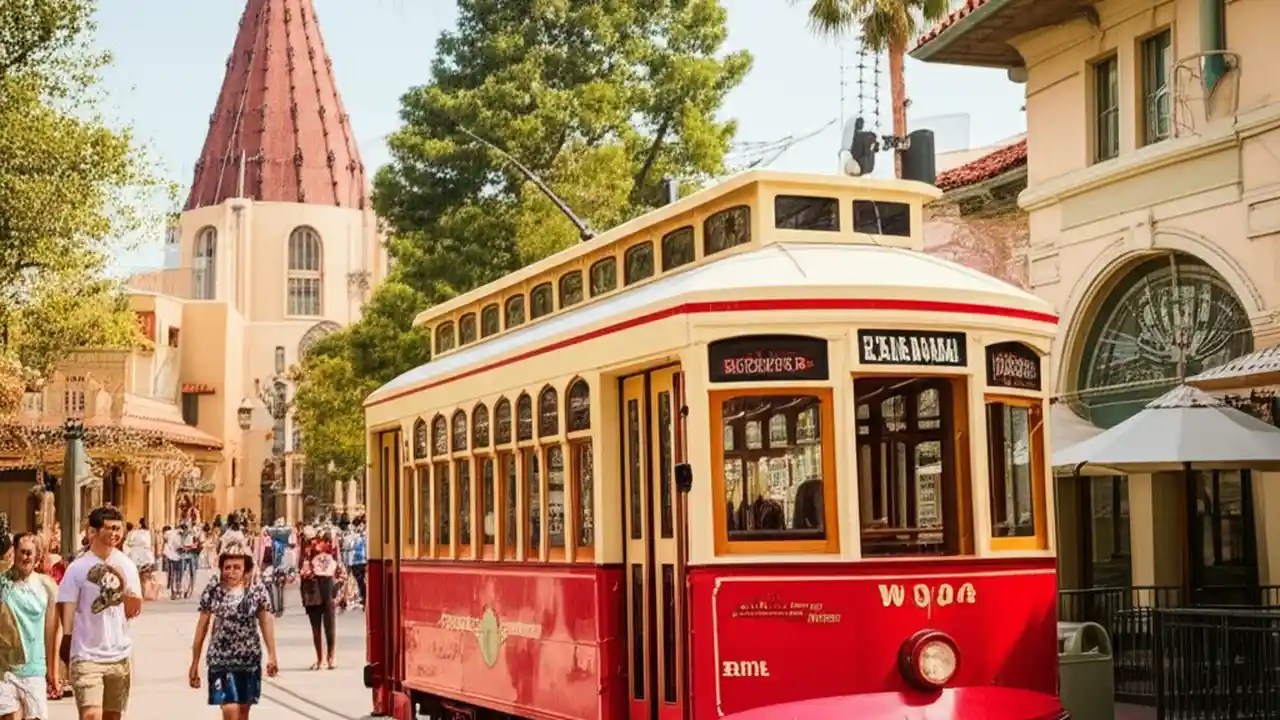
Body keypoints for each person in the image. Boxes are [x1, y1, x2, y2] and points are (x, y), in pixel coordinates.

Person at [56, 506, 142, 720]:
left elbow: (134, 610)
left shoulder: (127, 565)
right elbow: (65, 609)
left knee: (112, 716)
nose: (114, 534)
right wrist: (65, 649)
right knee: (91, 715)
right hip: (86, 655)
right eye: (109, 528)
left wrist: (122, 583)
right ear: (93, 531)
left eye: (118, 529)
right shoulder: (77, 568)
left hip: (118, 655)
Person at [188, 544, 278, 719]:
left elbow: (265, 621)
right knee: (230, 710)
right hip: (220, 659)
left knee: (243, 713)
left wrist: (272, 655)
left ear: (246, 569)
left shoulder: (256, 591)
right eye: (227, 567)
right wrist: (195, 662)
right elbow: (202, 626)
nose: (231, 572)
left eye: (237, 567)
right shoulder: (213, 591)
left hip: (248, 659)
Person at [0, 532, 58, 720]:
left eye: (29, 553)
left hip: (34, 669)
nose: (24, 557)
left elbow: (51, 630)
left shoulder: (46, 586)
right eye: (21, 552)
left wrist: (53, 669)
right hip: (5, 670)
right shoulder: (3, 583)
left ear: (37, 556)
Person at [298, 527, 343, 670]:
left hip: (321, 583)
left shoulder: (313, 545)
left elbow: (302, 566)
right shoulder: (311, 544)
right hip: (316, 584)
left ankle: (326, 658)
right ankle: (325, 658)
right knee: (324, 622)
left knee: (323, 623)